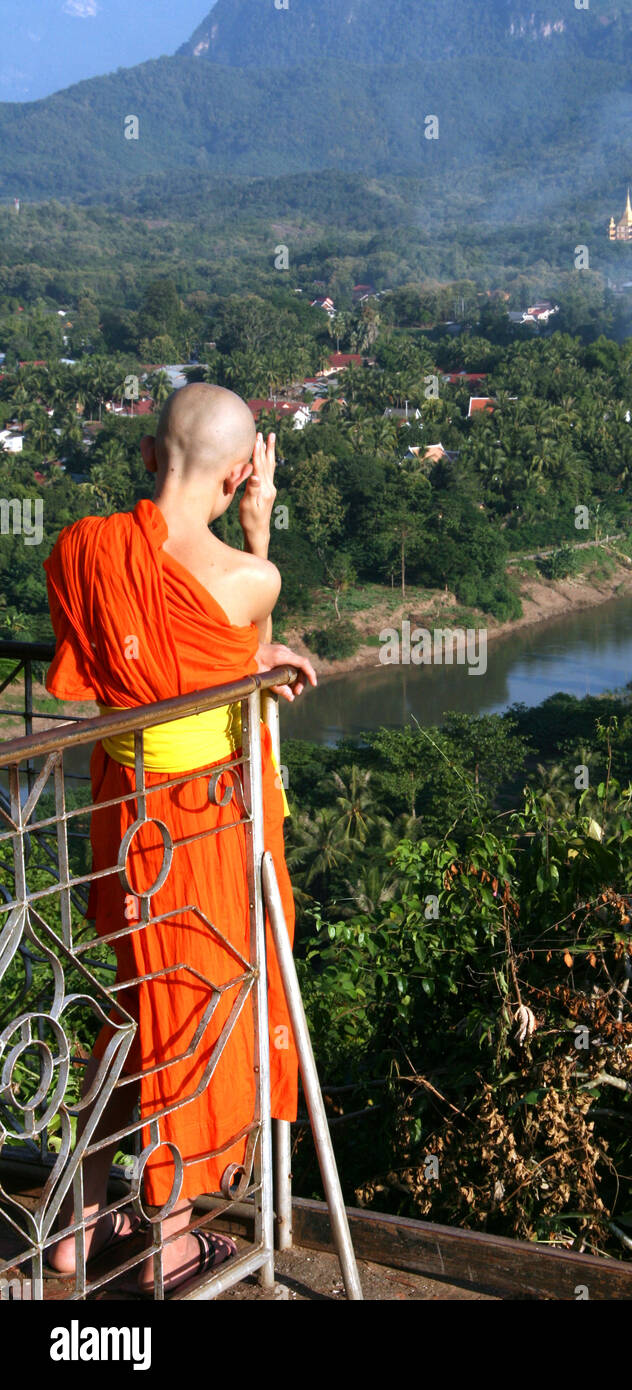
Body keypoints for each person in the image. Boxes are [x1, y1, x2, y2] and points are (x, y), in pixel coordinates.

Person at [44, 383, 316, 1293]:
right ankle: (166, 1235)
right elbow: (249, 652)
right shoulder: (252, 579)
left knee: (134, 1009)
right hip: (199, 822)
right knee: (190, 1020)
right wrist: (261, 534)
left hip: (122, 809)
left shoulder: (85, 550)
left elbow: (93, 669)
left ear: (153, 454)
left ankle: (80, 1218)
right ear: (243, 471)